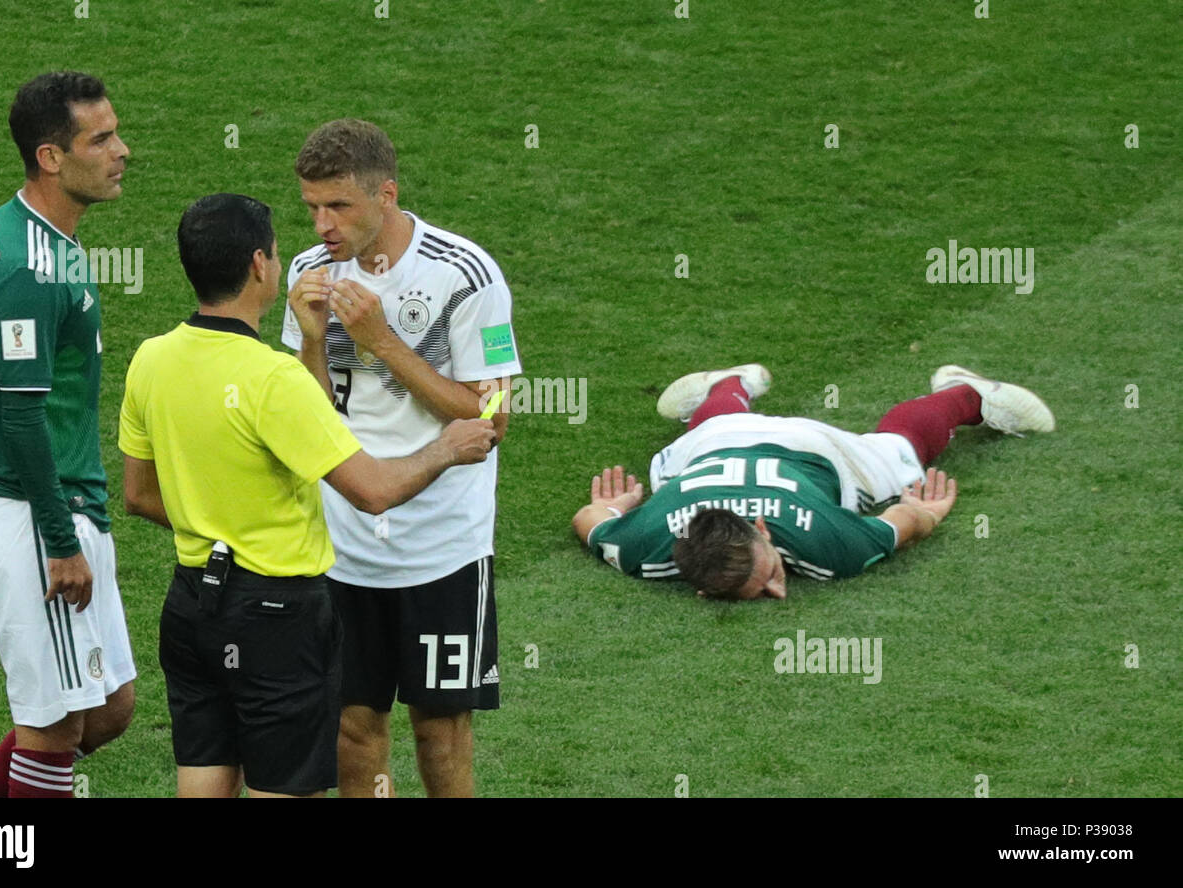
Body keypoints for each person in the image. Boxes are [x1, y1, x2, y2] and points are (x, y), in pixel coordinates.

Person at [119, 193, 495, 798]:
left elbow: (138, 494)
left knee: (204, 776)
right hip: (274, 614)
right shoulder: (273, 378)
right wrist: (446, 449)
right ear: (261, 265)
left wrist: (220, 526)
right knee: (285, 785)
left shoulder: (150, 359)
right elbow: (370, 491)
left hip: (192, 606)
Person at [280, 119, 522, 797]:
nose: (322, 224)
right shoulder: (308, 274)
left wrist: (382, 341)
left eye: (338, 206)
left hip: (442, 547)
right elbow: (310, 418)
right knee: (354, 728)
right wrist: (309, 343)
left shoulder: (467, 275)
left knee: (439, 733)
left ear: (386, 194)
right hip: (343, 544)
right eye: (311, 208)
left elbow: (491, 415)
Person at [0, 72, 134, 798]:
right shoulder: (32, 267)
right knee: (54, 732)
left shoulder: (34, 230)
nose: (123, 150)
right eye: (102, 139)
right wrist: (60, 541)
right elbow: (22, 413)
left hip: (58, 507)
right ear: (52, 157)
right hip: (35, 516)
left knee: (109, 711)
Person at [573, 363, 1055, 599]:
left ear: (762, 529)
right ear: (698, 586)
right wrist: (620, 506)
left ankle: (966, 391)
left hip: (820, 451)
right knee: (703, 438)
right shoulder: (647, 545)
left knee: (902, 455)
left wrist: (925, 514)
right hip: (715, 442)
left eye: (770, 576)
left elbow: (899, 523)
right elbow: (591, 520)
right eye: (763, 589)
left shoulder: (827, 545)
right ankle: (729, 384)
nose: (780, 593)